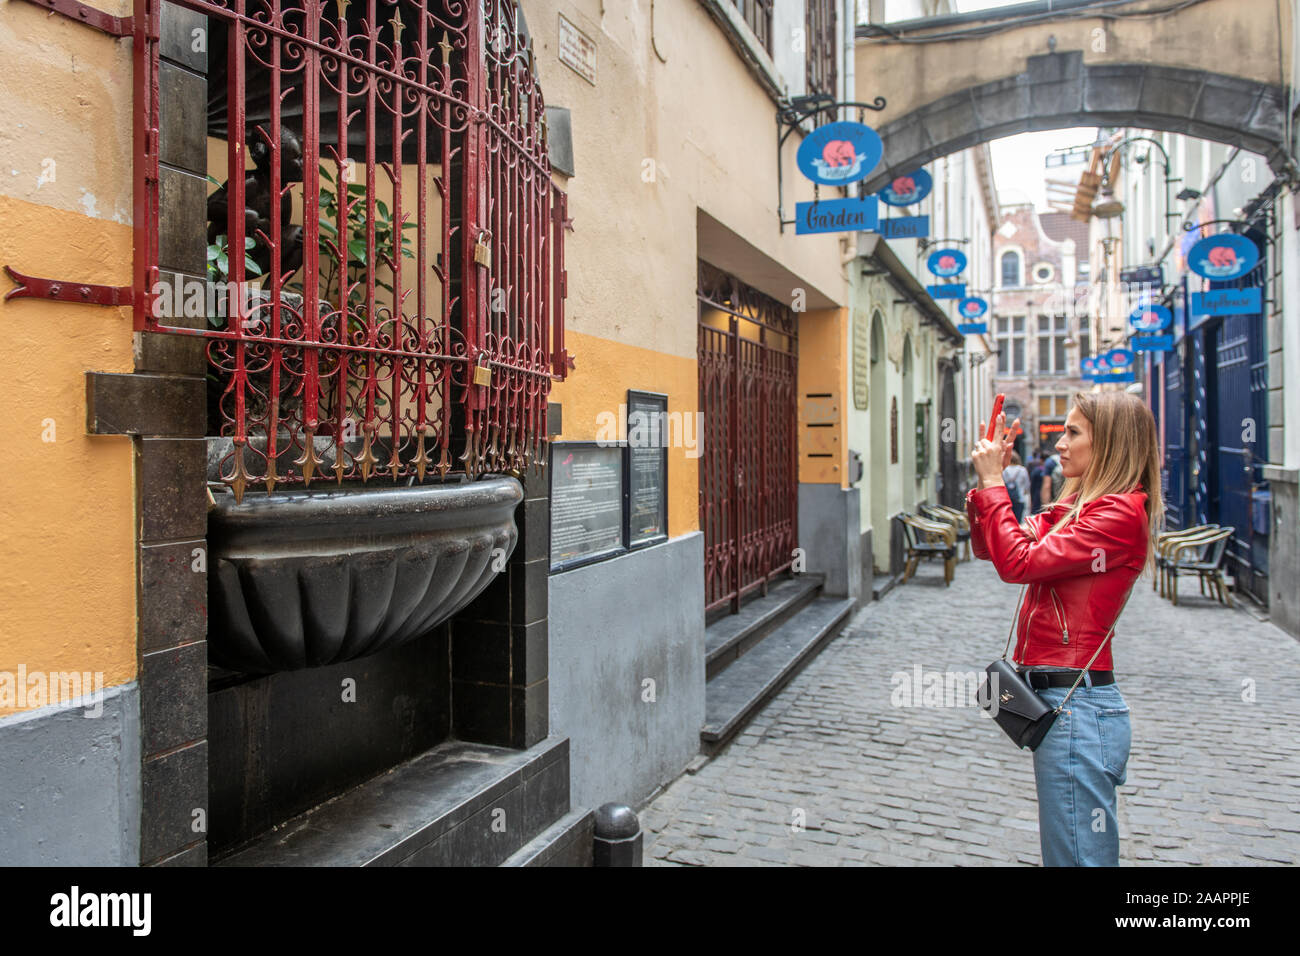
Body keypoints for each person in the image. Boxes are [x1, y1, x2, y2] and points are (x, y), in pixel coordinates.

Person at [965, 391, 1164, 867]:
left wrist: (995, 483)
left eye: (1073, 433)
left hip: (1077, 709)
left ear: (1111, 443)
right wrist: (986, 489)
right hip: (1062, 705)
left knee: (1078, 860)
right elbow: (993, 547)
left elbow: (1019, 562)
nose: (1060, 443)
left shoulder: (1118, 515)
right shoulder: (1074, 508)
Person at [1002, 451, 1030, 523]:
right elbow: (1027, 486)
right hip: (1020, 498)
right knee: (1017, 521)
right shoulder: (1022, 470)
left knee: (1008, 521)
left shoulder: (1003, 470)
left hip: (1006, 499)